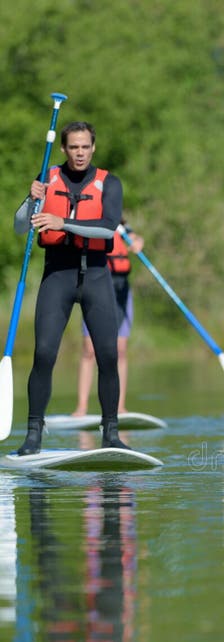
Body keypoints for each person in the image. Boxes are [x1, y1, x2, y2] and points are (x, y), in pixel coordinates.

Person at [13, 121, 129, 455]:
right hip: (58, 275)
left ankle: (111, 433)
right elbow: (21, 228)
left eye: (85, 147)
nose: (80, 153)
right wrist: (29, 199)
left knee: (107, 356)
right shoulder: (47, 179)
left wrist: (62, 222)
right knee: (44, 354)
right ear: (64, 149)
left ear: (93, 147)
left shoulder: (110, 183)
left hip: (96, 276)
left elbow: (108, 229)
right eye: (74, 147)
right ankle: (33, 434)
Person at [72, 220, 144, 417]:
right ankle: (82, 407)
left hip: (121, 288)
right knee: (89, 349)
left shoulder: (120, 225)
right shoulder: (89, 219)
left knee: (120, 349)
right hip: (96, 283)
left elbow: (134, 236)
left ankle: (119, 407)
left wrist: (138, 242)